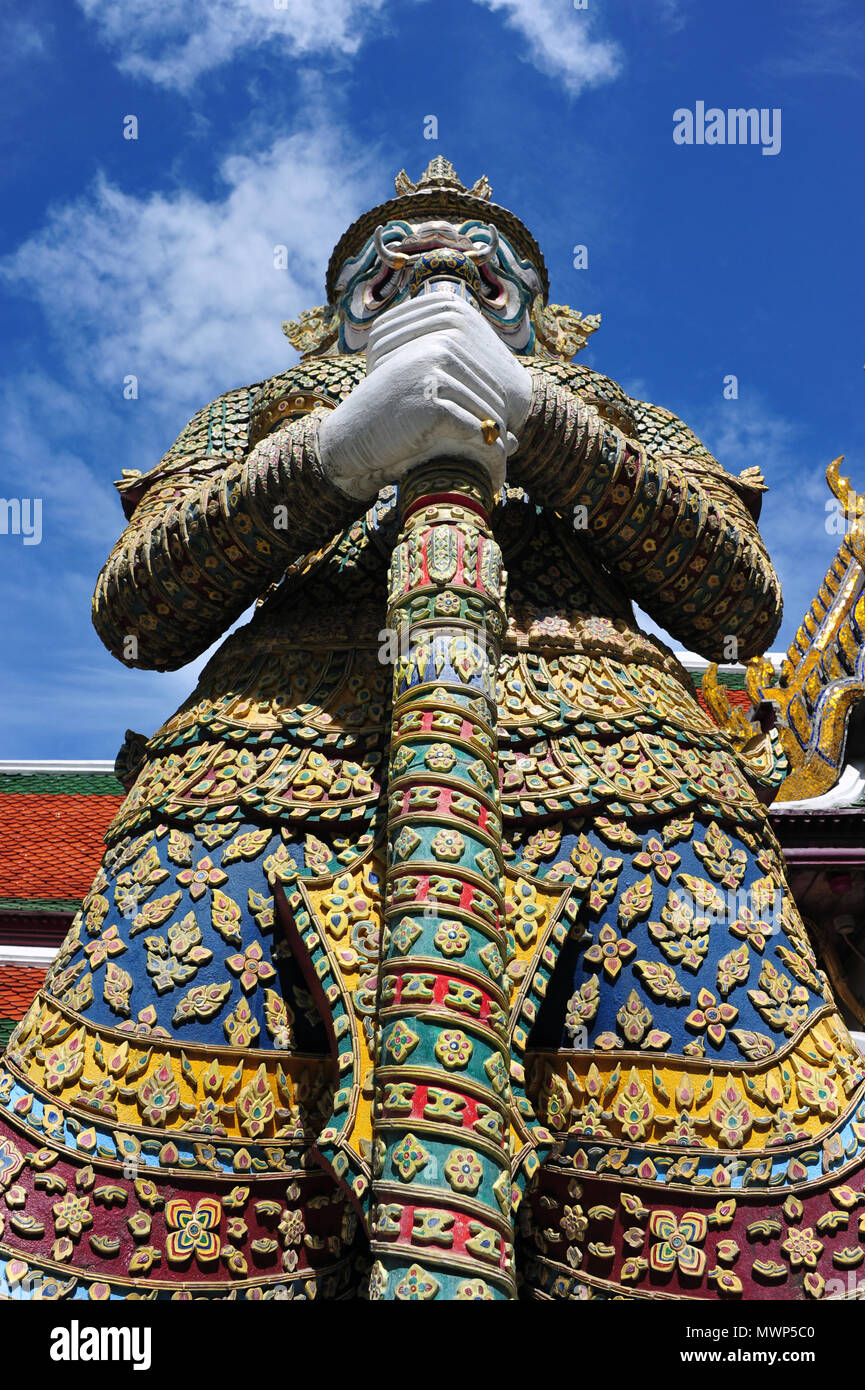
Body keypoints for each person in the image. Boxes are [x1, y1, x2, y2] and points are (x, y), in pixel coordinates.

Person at [1, 158, 861, 1302]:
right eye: (392, 273)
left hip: (632, 803)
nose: (440, 279)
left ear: (543, 318)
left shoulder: (613, 412)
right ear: (335, 315)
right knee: (123, 1252)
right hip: (253, 799)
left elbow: (737, 604)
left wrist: (545, 428)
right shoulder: (265, 412)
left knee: (739, 1265)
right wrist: (337, 451)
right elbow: (140, 614)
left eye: (483, 276)